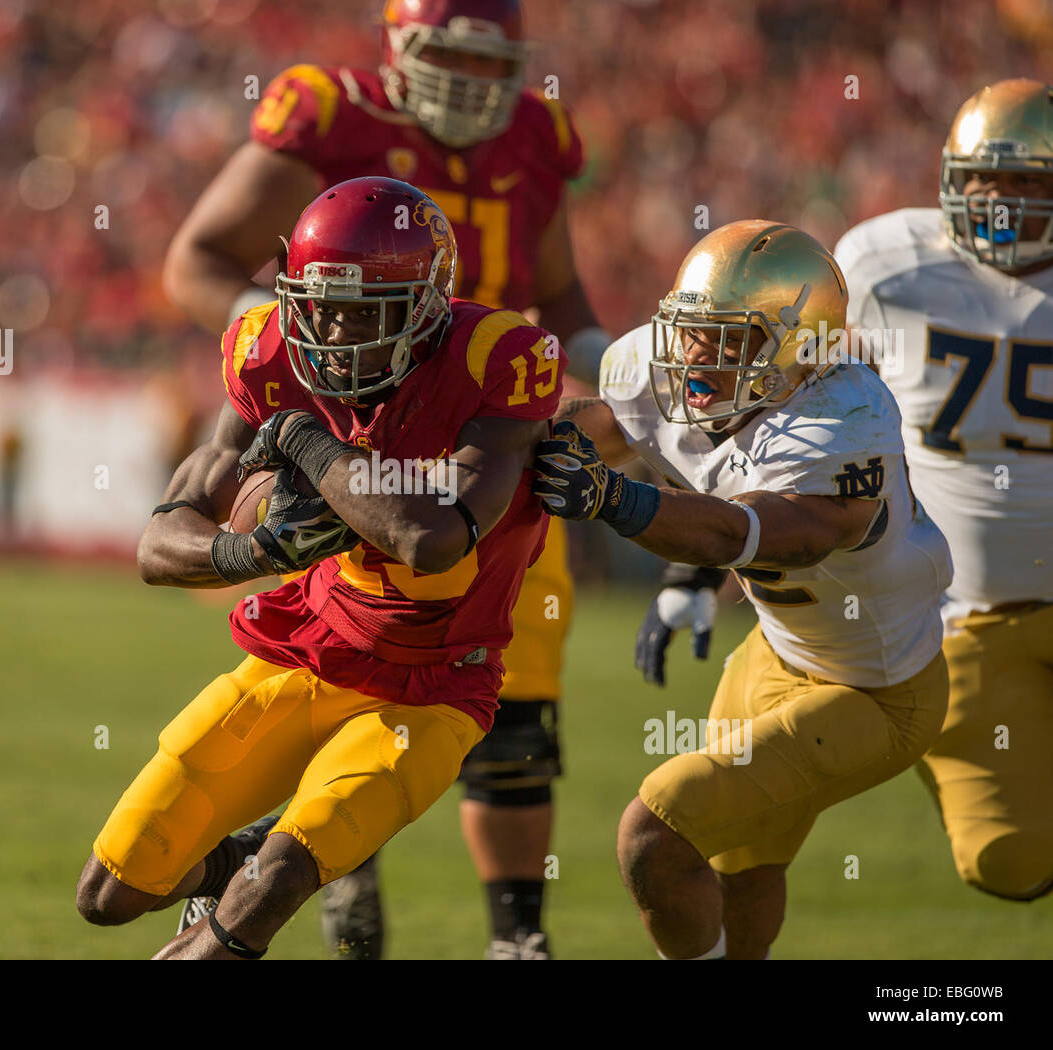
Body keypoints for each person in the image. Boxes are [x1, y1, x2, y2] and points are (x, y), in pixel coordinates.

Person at [163, 0, 607, 959]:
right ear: (398, 44)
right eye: (446, 51)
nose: (470, 81)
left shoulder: (535, 135)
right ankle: (314, 863)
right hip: (350, 444)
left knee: (516, 694)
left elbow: (564, 294)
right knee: (341, 661)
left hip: (493, 441)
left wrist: (610, 374)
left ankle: (517, 940)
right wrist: (302, 346)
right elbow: (196, 261)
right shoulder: (333, 119)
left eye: (490, 63)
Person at [76, 177, 564, 959]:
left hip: (431, 685)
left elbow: (431, 538)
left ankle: (257, 880)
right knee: (108, 894)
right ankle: (238, 859)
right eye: (320, 306)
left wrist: (309, 442)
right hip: (305, 651)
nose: (335, 333)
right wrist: (251, 553)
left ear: (429, 305)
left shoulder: (493, 357)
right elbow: (158, 543)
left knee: (264, 897)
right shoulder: (269, 347)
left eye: (365, 314)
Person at [532, 220, 952, 958]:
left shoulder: (844, 422)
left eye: (727, 340)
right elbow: (595, 429)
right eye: (692, 330)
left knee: (653, 837)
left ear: (800, 351)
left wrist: (614, 502)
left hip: (876, 691)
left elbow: (745, 531)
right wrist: (502, 444)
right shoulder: (676, 372)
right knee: (743, 866)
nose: (695, 355)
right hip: (777, 652)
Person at [834, 78, 1053, 902]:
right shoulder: (885, 263)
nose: (1002, 201)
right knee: (1010, 859)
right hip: (972, 614)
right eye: (985, 180)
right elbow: (808, 408)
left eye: (1028, 181)